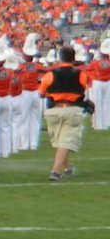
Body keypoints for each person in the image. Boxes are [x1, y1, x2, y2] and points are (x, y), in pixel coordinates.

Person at [37, 45, 89, 180]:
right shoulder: (81, 74)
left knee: (59, 142)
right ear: (73, 58)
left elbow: (41, 93)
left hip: (54, 110)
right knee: (64, 142)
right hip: (72, 109)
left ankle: (66, 168)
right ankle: (55, 171)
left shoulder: (50, 74)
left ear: (60, 58)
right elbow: (83, 89)